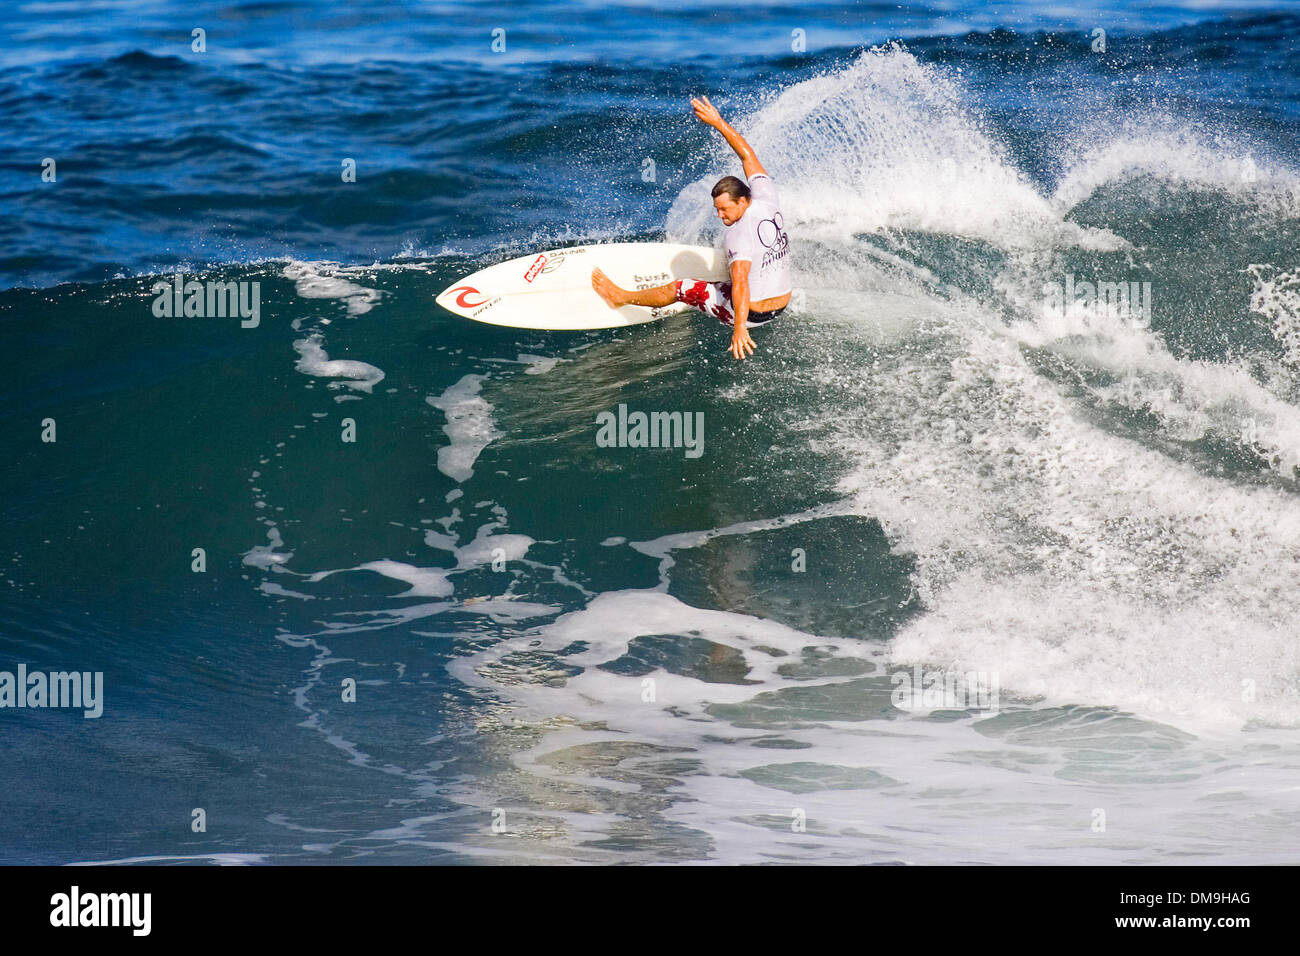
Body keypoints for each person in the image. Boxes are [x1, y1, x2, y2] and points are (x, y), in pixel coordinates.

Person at [591, 96, 791, 360]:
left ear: (742, 201)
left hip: (752, 315)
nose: (720, 216)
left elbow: (741, 283)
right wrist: (719, 123)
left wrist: (740, 328)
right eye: (717, 209)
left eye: (725, 209)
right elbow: (747, 155)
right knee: (737, 272)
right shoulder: (766, 196)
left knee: (681, 288)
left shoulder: (738, 235)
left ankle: (620, 296)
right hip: (782, 303)